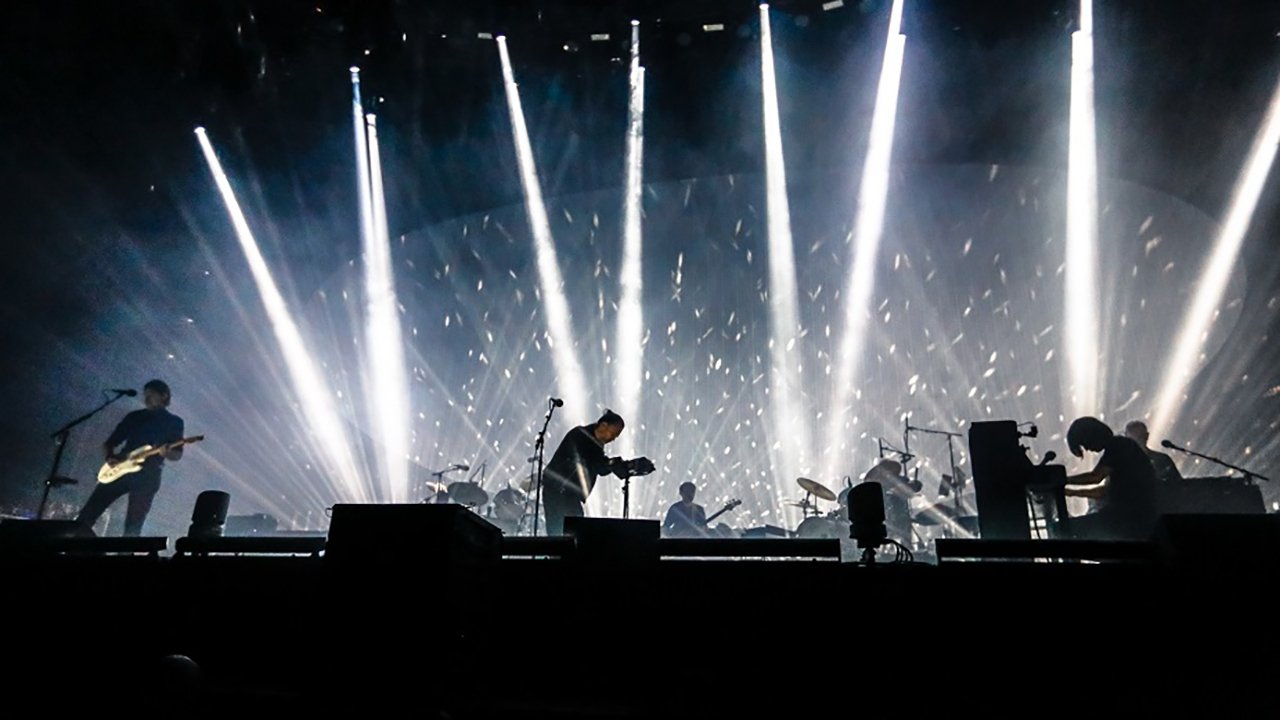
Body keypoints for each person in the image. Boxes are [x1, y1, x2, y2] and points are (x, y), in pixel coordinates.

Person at [76, 380, 185, 536]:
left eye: (151, 395)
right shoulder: (134, 417)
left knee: (133, 526)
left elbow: (177, 454)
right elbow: (111, 442)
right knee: (87, 515)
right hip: (120, 468)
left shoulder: (174, 422)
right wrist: (110, 457)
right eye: (145, 395)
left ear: (164, 396)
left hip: (147, 475)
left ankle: (126, 554)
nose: (146, 398)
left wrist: (165, 452)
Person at [540, 409, 653, 535]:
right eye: (613, 433)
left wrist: (621, 465)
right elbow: (597, 463)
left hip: (567, 493)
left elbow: (600, 466)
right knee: (565, 533)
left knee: (572, 533)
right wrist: (617, 464)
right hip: (558, 491)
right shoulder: (581, 435)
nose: (613, 439)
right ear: (603, 425)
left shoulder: (593, 443)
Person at [1063, 417, 1160, 540]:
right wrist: (1071, 492)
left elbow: (1096, 477)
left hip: (1130, 519)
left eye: (1085, 443)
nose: (1087, 449)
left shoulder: (1118, 447)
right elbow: (1103, 491)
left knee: (1068, 529)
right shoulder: (1120, 446)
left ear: (1092, 436)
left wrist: (1063, 480)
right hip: (1134, 518)